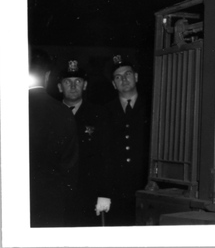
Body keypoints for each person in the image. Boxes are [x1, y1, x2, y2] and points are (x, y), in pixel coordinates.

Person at [95, 55, 150, 226]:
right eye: (118, 77)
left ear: (136, 77)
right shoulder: (104, 112)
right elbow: (102, 154)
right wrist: (103, 192)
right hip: (117, 190)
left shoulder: (152, 106)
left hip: (147, 187)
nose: (124, 79)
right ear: (113, 84)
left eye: (127, 74)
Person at [28, 48, 79, 227]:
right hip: (52, 198)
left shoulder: (7, 108)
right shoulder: (62, 111)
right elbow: (70, 162)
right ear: (47, 76)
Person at [58, 59, 105, 226]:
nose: (72, 86)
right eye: (67, 82)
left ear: (84, 85)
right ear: (59, 87)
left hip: (88, 193)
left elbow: (105, 156)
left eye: (77, 81)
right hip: (57, 194)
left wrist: (104, 193)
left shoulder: (99, 115)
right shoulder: (51, 114)